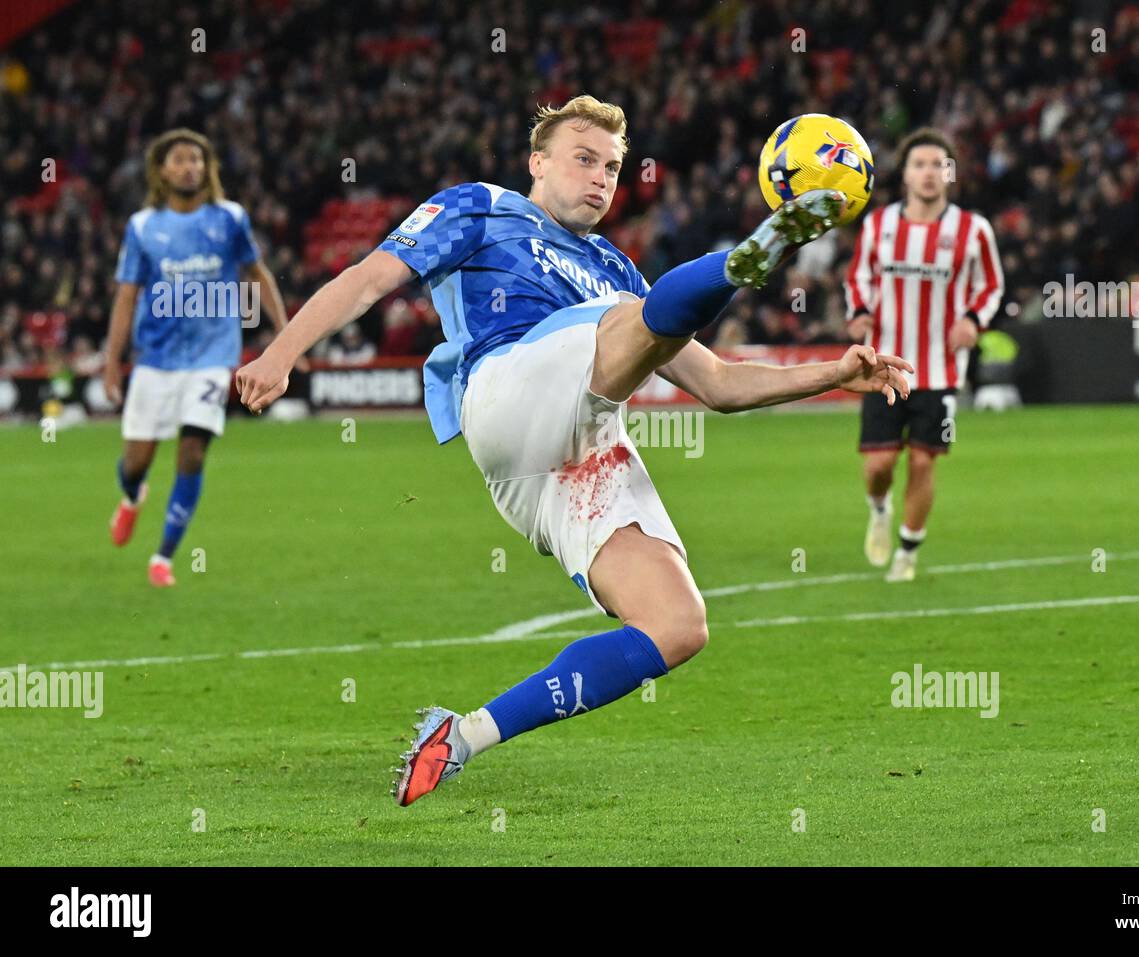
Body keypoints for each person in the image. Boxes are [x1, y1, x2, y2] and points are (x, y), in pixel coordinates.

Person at [234, 95, 912, 806]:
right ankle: (747, 259)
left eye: (613, 168)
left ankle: (461, 736)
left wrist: (834, 372)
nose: (600, 178)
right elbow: (369, 279)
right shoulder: (480, 207)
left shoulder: (616, 267)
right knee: (626, 319)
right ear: (538, 163)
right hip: (506, 390)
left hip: (571, 456)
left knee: (677, 624)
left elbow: (716, 384)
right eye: (584, 159)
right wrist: (282, 353)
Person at [105, 129, 292, 587]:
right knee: (135, 463)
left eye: (197, 159)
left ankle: (163, 557)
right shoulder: (143, 226)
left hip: (212, 356)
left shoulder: (230, 218)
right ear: (161, 171)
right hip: (155, 359)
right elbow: (126, 296)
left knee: (192, 451)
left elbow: (256, 273)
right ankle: (132, 496)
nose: (190, 167)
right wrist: (111, 363)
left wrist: (286, 335)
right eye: (180, 159)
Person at [844, 127, 1003, 582]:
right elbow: (858, 278)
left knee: (922, 459)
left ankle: (908, 552)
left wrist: (972, 320)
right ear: (905, 174)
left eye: (938, 165)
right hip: (883, 367)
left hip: (941, 370)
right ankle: (879, 508)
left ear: (950, 174)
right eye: (919, 164)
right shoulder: (878, 225)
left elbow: (991, 285)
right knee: (878, 466)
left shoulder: (973, 229)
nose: (929, 173)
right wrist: (859, 312)